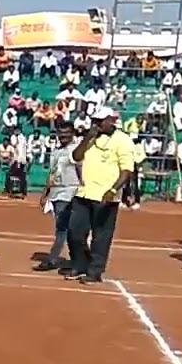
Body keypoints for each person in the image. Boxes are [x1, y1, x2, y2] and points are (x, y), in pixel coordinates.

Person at [65, 106, 136, 284]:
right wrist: (88, 138)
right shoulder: (90, 138)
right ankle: (80, 264)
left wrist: (113, 190)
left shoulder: (123, 140)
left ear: (111, 121)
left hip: (106, 196)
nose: (95, 124)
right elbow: (75, 157)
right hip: (84, 193)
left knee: (101, 236)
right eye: (94, 120)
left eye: (99, 121)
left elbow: (127, 170)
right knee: (75, 232)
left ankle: (95, 270)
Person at [34, 126, 81, 272]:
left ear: (72, 134)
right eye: (61, 134)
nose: (63, 136)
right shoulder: (56, 152)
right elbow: (52, 173)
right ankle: (76, 260)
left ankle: (53, 258)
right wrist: (45, 193)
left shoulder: (77, 149)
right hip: (56, 192)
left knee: (63, 229)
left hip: (70, 191)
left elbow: (81, 169)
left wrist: (83, 187)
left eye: (66, 133)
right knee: (64, 228)